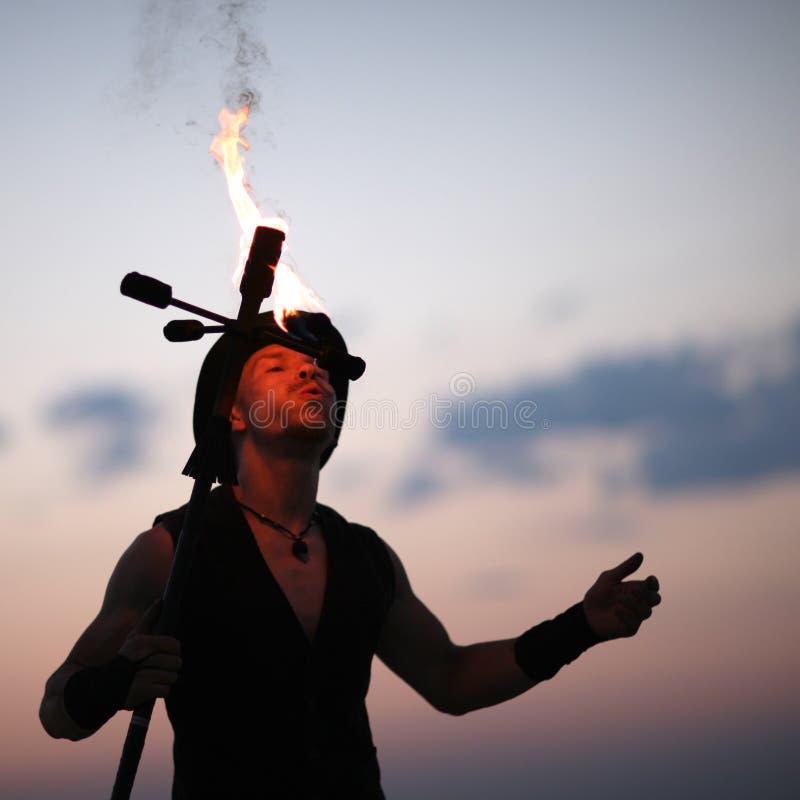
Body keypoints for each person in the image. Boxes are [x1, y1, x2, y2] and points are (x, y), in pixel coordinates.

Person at [39, 317, 661, 799]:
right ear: (233, 412)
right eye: (278, 366)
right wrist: (112, 683)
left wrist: (580, 627)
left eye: (320, 370)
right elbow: (57, 710)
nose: (313, 375)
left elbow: (452, 680)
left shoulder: (366, 556)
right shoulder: (168, 551)